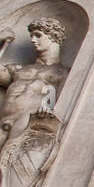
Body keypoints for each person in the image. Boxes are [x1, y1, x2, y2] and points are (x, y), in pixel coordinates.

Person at [0, 17, 69, 154]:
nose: (33, 40)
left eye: (38, 35)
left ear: (53, 37)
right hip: (4, 121)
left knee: (7, 168)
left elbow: (60, 99)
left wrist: (48, 109)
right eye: (32, 36)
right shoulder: (19, 69)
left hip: (26, 124)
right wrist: (2, 45)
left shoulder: (63, 73)